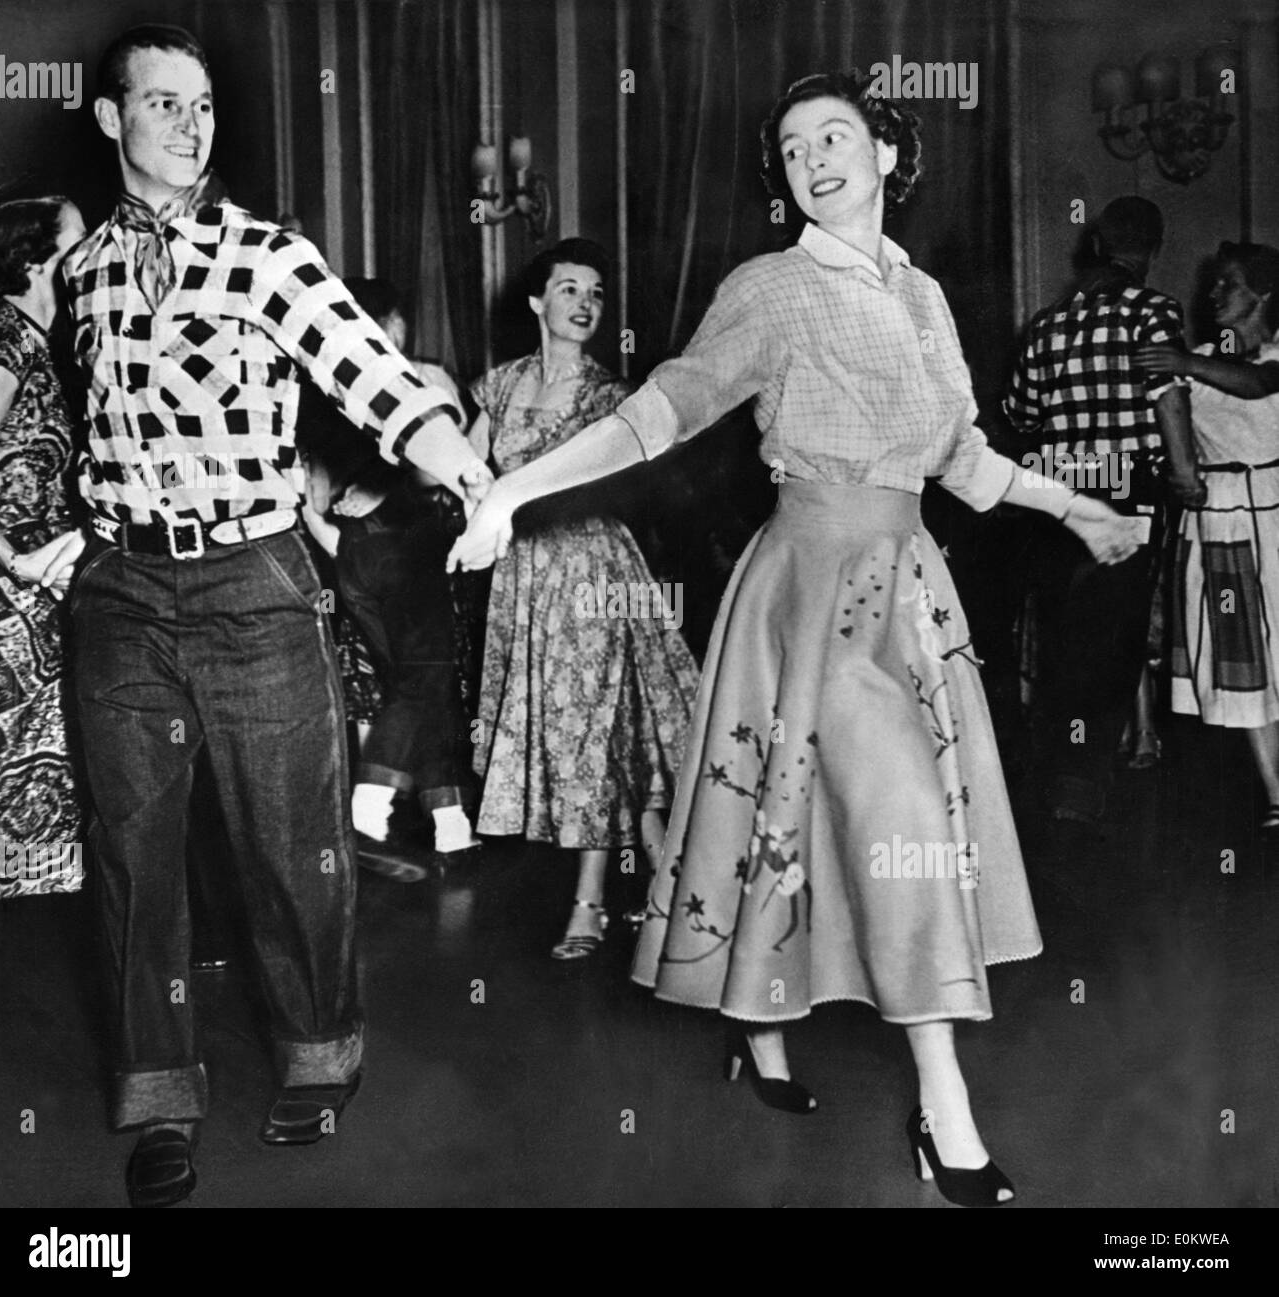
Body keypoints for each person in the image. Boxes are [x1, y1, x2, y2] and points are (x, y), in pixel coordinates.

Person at [450, 72, 1141, 1205]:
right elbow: (657, 410)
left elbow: (961, 461)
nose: (811, 157)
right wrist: (512, 493)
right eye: (789, 147)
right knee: (887, 818)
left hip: (911, 591)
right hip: (808, 584)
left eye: (835, 136)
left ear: (884, 155)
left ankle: (759, 1026)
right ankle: (944, 1109)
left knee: (819, 818)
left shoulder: (921, 297)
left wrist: (1081, 508)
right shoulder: (768, 289)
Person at [55, 24, 490, 1208]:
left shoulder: (267, 256)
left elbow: (371, 373)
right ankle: (158, 1095)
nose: (191, 124)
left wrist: (464, 468)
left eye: (202, 106)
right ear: (110, 120)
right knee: (136, 861)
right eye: (163, 103)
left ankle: (316, 1053)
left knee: (290, 845)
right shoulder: (83, 270)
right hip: (121, 594)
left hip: (254, 584)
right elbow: (83, 428)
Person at [466, 238, 698, 959]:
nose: (585, 304)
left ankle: (591, 904)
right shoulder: (497, 386)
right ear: (538, 301)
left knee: (593, 733)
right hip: (524, 581)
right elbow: (471, 474)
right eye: (569, 289)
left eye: (595, 293)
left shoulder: (610, 394)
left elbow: (616, 480)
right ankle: (672, 886)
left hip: (592, 574)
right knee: (584, 735)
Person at [1005, 196, 1204, 830]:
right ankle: (1084, 786)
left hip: (1063, 498)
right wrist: (1184, 476)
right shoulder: (1153, 312)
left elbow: (1020, 416)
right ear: (1151, 250)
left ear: (1096, 243)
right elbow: (1168, 400)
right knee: (1115, 641)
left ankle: (1060, 778)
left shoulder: (1045, 323)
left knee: (1065, 637)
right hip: (1131, 496)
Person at [302, 277, 480, 874]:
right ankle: (369, 801)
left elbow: (305, 491)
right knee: (426, 680)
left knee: (419, 686)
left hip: (354, 555)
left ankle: (450, 825)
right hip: (407, 547)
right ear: (394, 326)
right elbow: (434, 476)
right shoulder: (419, 378)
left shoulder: (324, 388)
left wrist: (339, 534)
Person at [1137, 242, 1279, 828]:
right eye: (1215, 283)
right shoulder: (1193, 359)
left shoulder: (1262, 358)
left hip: (1274, 513)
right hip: (1217, 522)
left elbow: (1256, 384)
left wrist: (1182, 365)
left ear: (1264, 295)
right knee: (1243, 660)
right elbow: (1170, 423)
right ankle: (1276, 793)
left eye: (1231, 283)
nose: (1215, 293)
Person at [0, 196, 88, 907]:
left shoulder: (43, 341)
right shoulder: (6, 342)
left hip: (34, 603)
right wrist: (14, 561)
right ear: (34, 258)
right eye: (81, 238)